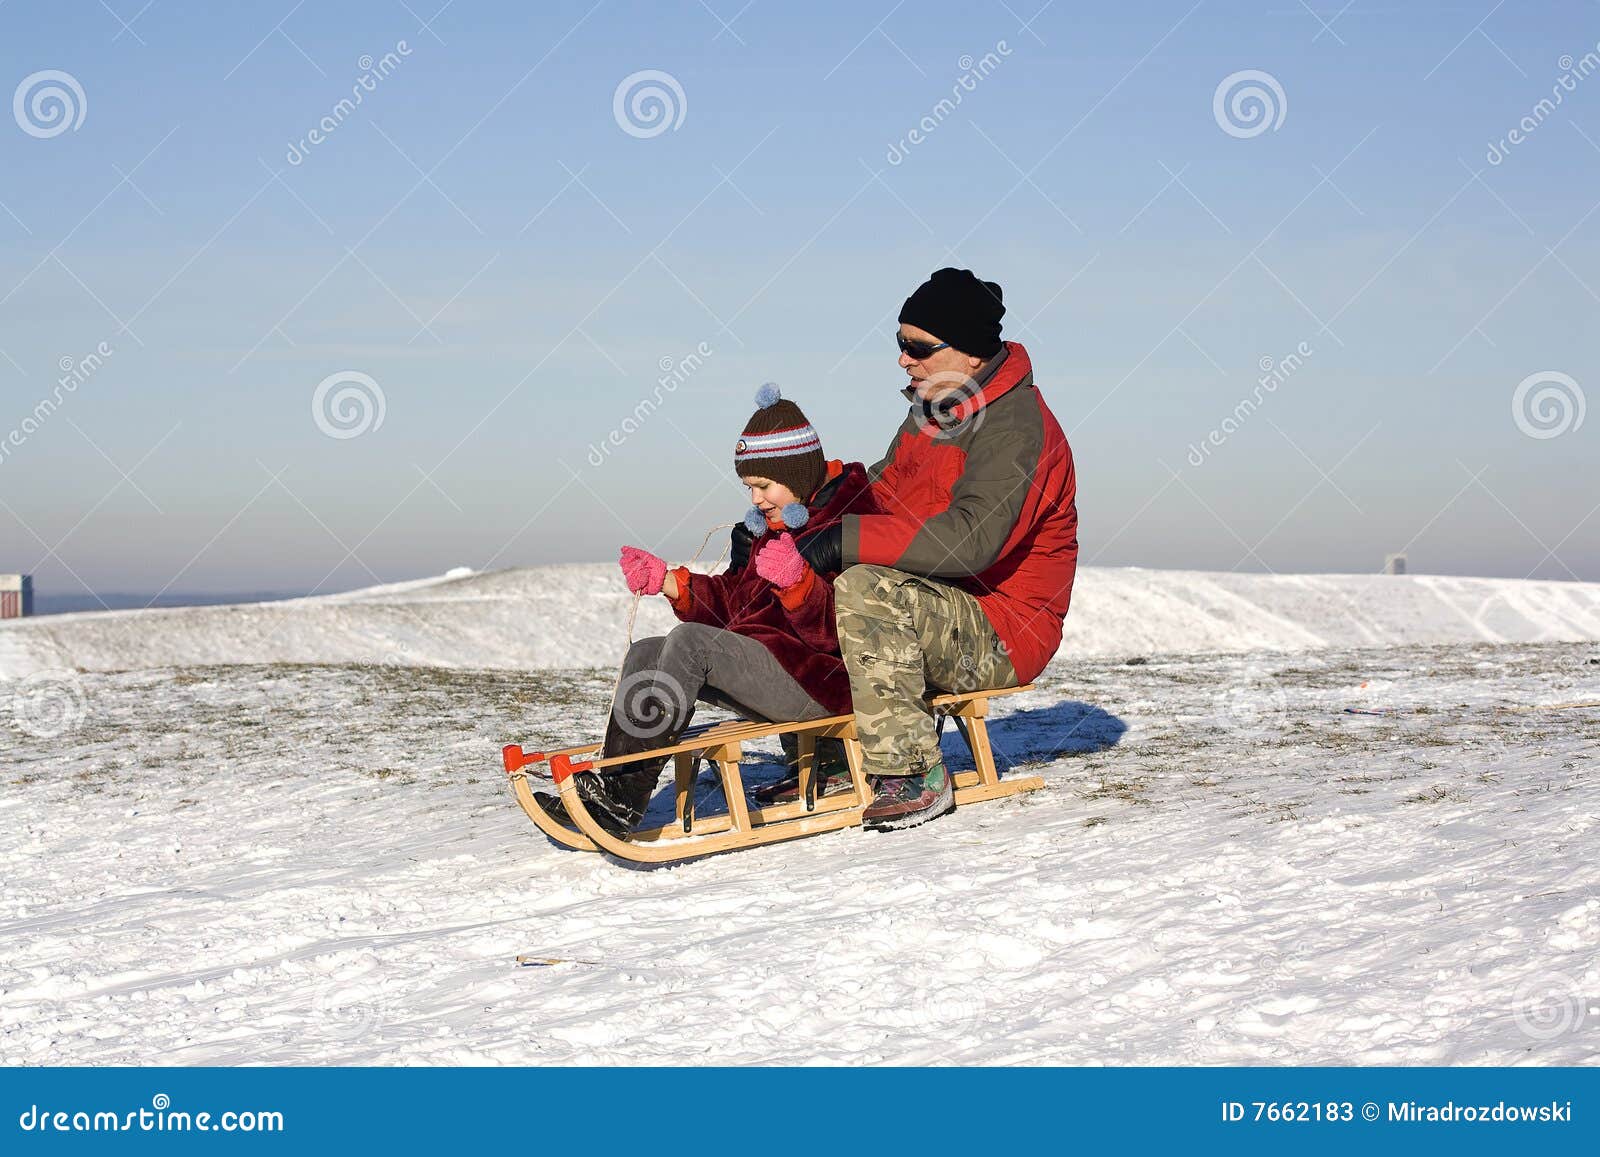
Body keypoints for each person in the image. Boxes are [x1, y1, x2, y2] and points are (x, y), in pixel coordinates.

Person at [790, 268, 1079, 831]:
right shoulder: (934, 411)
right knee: (801, 569)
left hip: (1003, 628)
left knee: (863, 584)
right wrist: (807, 509)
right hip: (940, 600)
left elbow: (972, 541)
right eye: (900, 345)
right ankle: (831, 756)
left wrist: (844, 541)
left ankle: (915, 772)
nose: (903, 360)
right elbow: (883, 492)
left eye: (918, 347)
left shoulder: (1018, 429)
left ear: (971, 353)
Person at [535, 384, 874, 837]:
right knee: (647, 651)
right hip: (777, 668)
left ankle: (623, 799)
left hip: (829, 681)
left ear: (800, 472)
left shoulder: (851, 520)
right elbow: (739, 605)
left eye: (763, 486)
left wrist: (799, 587)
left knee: (690, 643)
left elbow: (854, 631)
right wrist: (672, 583)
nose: (755, 500)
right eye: (749, 487)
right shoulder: (773, 527)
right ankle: (616, 782)